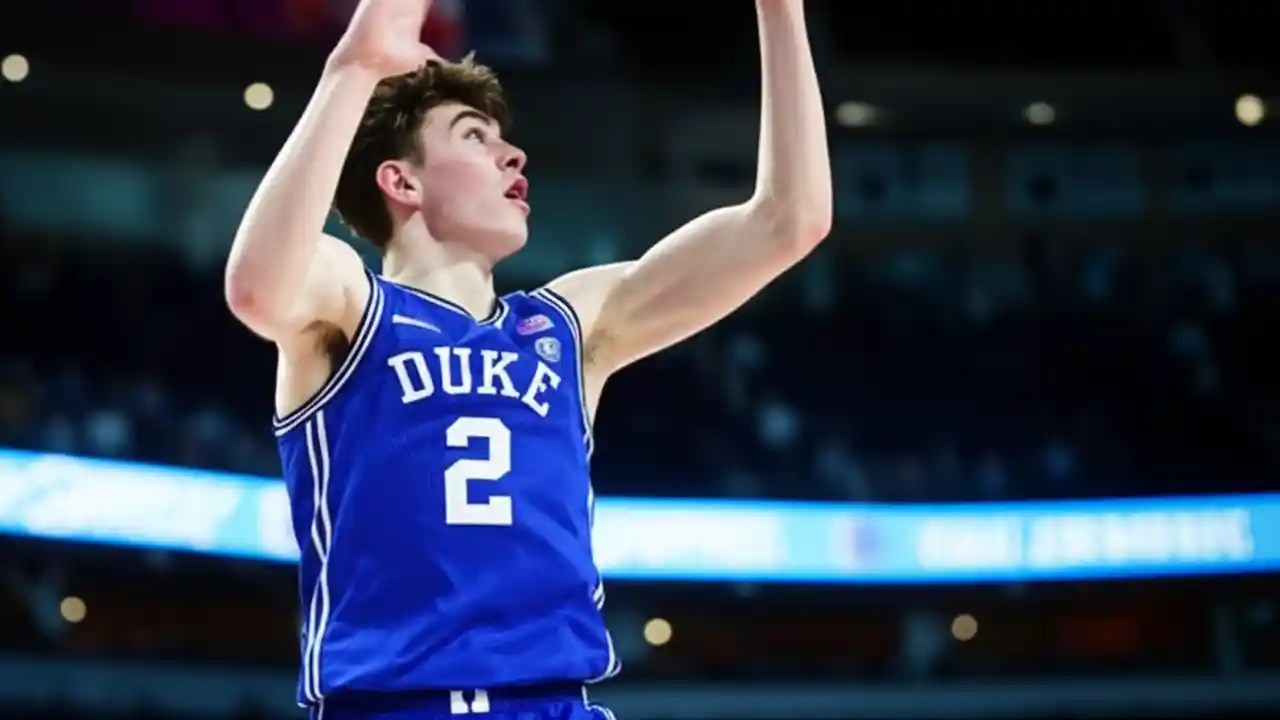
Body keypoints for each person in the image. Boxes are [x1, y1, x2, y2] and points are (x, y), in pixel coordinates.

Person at [222, 0, 831, 717]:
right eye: (474, 136)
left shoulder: (570, 324)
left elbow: (791, 220)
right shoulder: (353, 309)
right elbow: (259, 288)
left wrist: (780, 11)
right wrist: (354, 69)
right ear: (402, 182)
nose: (513, 155)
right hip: (396, 705)